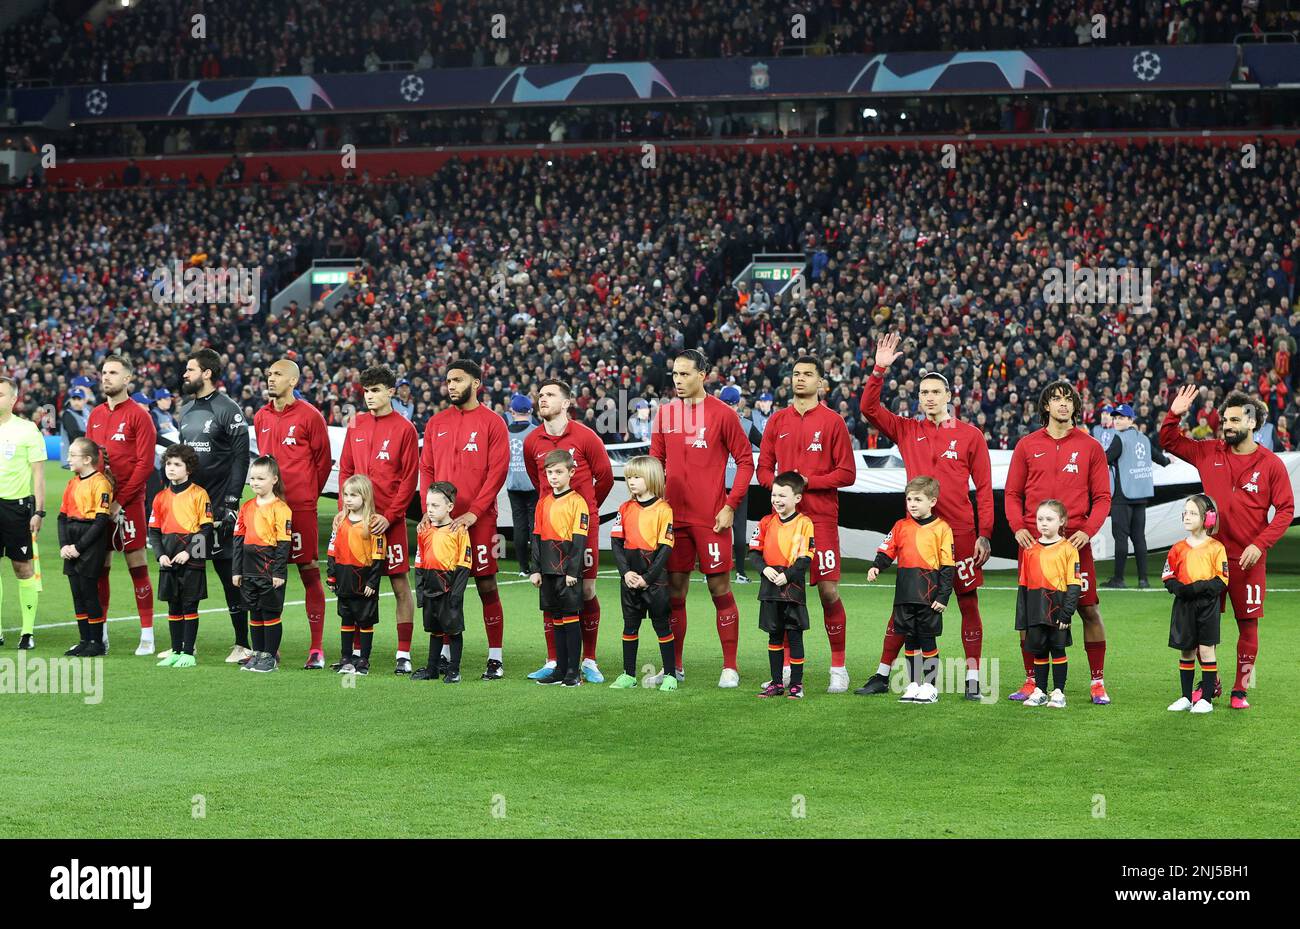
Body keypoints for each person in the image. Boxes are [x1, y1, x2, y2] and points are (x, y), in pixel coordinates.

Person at [855, 333, 994, 701]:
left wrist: (985, 533)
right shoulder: (907, 429)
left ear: (949, 396)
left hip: (960, 534)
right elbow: (869, 409)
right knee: (906, 606)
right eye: (923, 393)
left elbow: (983, 487)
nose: (929, 397)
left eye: (935, 392)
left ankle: (974, 678)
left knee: (967, 602)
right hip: (916, 535)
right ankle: (885, 673)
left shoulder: (969, 435)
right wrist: (879, 369)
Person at [1160, 386, 1295, 710]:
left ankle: (1240, 688)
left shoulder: (1271, 464)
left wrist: (1260, 544)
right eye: (1225, 420)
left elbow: (1286, 510)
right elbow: (1169, 441)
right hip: (1208, 559)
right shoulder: (1209, 451)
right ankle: (1211, 684)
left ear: (1253, 424)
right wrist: (1174, 414)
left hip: (1249, 561)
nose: (1227, 425)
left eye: (1234, 420)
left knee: (1248, 625)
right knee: (1202, 624)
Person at [649, 349, 755, 688]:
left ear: (702, 375)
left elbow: (745, 462)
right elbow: (655, 464)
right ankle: (675, 666)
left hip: (711, 519)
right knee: (674, 594)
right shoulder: (665, 414)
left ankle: (730, 666)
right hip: (673, 519)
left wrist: (730, 505)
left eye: (685, 374)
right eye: (675, 375)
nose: (678, 381)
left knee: (719, 589)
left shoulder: (723, 414)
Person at [1004, 380, 1112, 705]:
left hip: (1075, 545)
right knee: (1030, 614)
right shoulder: (1026, 445)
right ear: (1046, 406)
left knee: (1088, 609)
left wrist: (1088, 530)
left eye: (1068, 399)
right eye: (1056, 399)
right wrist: (1016, 527)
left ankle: (1097, 682)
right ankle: (1031, 682)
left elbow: (1103, 497)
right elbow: (1012, 494)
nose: (1062, 404)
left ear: (1075, 407)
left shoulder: (1091, 447)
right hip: (1034, 548)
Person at [756, 356, 857, 692]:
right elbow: (763, 468)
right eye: (796, 374)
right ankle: (785, 668)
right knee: (784, 594)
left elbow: (848, 473)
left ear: (820, 382)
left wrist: (807, 482)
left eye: (808, 374)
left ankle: (838, 667)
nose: (800, 379)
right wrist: (780, 489)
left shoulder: (833, 422)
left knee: (828, 592)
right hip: (784, 523)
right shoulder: (776, 421)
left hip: (821, 518)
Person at [419, 359, 509, 680]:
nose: (451, 385)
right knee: (440, 588)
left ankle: (495, 658)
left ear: (476, 383)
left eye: (458, 380)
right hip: (442, 523)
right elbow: (426, 469)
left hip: (479, 521)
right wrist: (428, 511)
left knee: (486, 584)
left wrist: (474, 512)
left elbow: (497, 472)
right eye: (448, 380)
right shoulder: (436, 423)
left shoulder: (493, 423)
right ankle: (444, 656)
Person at [524, 379, 614, 682]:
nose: (542, 399)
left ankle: (589, 660)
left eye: (550, 395)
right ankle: (554, 661)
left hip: (579, 531)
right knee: (550, 592)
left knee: (586, 590)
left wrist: (586, 510)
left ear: (566, 403)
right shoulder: (532, 441)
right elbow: (539, 483)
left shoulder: (586, 437)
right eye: (540, 395)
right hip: (549, 530)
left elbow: (605, 478)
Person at [338, 365, 419, 673]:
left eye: (375, 391)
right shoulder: (355, 425)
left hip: (389, 523)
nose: (370, 396)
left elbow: (408, 480)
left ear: (390, 392)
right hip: (357, 525)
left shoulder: (405, 429)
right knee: (357, 586)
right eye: (366, 391)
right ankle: (358, 653)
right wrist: (345, 512)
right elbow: (346, 470)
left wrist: (390, 516)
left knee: (399, 584)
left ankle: (403, 653)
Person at [254, 358, 334, 669]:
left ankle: (316, 648)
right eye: (269, 374)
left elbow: (323, 461)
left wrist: (306, 495)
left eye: (277, 375)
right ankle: (270, 649)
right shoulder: (261, 416)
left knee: (308, 569)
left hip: (299, 507)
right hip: (267, 509)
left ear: (293, 382)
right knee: (267, 574)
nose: (271, 379)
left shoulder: (310, 416)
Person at [178, 348, 251, 664]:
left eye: (190, 369)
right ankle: (186, 645)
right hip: (191, 512)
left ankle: (242, 643)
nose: (185, 374)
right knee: (189, 575)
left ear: (206, 373)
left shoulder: (229, 410)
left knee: (228, 577)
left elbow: (240, 458)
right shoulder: (186, 410)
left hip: (220, 510)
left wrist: (232, 503)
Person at [85, 355, 157, 655]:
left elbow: (145, 465)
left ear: (128, 379)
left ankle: (148, 634)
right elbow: (88, 461)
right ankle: (100, 633)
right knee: (99, 568)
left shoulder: (139, 416)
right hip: (100, 505)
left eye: (113, 373)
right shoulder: (96, 415)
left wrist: (121, 501)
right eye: (104, 372)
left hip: (130, 504)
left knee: (136, 566)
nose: (106, 377)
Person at [866, 476, 955, 705]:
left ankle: (931, 686)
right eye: (909, 499)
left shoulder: (942, 529)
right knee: (910, 640)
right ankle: (914, 684)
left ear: (932, 501)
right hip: (905, 595)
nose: (912, 504)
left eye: (918, 499)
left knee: (927, 640)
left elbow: (947, 567)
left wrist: (943, 596)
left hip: (929, 597)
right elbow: (887, 550)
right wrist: (877, 566)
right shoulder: (900, 526)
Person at [608, 455, 677, 691]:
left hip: (655, 582)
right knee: (629, 627)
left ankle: (670, 675)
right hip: (629, 580)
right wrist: (626, 574)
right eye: (628, 478)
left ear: (652, 478)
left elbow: (665, 547)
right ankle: (628, 674)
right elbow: (616, 544)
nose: (631, 482)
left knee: (662, 626)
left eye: (636, 477)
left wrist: (648, 578)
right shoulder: (624, 508)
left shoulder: (663, 509)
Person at [750, 471, 817, 700]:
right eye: (774, 495)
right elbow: (754, 553)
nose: (777, 500)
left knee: (795, 637)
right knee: (774, 637)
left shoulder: (805, 523)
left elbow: (805, 559)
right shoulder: (766, 522)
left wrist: (788, 575)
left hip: (792, 590)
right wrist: (763, 569)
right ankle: (776, 683)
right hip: (769, 589)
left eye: (782, 496)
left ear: (797, 498)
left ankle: (796, 685)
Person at [1162, 494, 1228, 715]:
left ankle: (1206, 699)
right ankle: (1186, 697)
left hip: (1207, 606)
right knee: (1187, 650)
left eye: (1193, 513)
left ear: (1208, 518)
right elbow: (1168, 575)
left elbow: (1222, 579)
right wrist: (1179, 589)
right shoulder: (1178, 548)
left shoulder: (1216, 548)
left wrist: (1198, 587)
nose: (1187, 517)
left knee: (1206, 650)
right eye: (1185, 512)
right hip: (1184, 606)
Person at [149, 444, 214, 669]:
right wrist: (160, 556)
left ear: (189, 469)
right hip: (168, 558)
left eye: (178, 464)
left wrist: (189, 552)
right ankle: (175, 651)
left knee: (189, 606)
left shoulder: (199, 494)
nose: (172, 468)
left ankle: (188, 652)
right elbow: (154, 531)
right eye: (168, 464)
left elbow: (206, 529)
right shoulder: (159, 497)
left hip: (191, 559)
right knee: (173, 607)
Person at [529, 450, 590, 687]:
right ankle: (560, 669)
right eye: (549, 472)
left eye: (558, 472)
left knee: (571, 618)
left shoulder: (578, 502)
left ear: (571, 472)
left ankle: (574, 672)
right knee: (555, 618)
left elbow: (579, 540)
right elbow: (536, 537)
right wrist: (535, 569)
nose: (553, 477)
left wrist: (573, 571)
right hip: (547, 571)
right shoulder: (543, 503)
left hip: (567, 573)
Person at [1014, 499, 1081, 709]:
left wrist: (1067, 612)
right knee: (1039, 651)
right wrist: (1022, 617)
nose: (1044, 523)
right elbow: (1023, 586)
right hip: (1035, 609)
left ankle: (1059, 692)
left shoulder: (1069, 549)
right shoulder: (1029, 550)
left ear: (1061, 521)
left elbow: (1074, 583)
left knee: (1058, 650)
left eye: (1049, 519)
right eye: (1040, 519)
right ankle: (1040, 691)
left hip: (1058, 610)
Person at [231, 456, 293, 674]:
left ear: (274, 479)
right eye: (252, 478)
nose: (255, 482)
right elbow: (238, 540)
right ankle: (257, 654)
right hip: (248, 571)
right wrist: (236, 571)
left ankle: (269, 657)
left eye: (260, 478)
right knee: (254, 613)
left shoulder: (281, 508)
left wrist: (278, 572)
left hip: (268, 570)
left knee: (270, 613)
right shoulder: (246, 507)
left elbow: (284, 544)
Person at [0, 377, 47, 650]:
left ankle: (27, 632)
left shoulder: (27, 429)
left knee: (22, 568)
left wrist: (39, 510)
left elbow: (39, 475)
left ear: (13, 399)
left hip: (16, 508)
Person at [1102, 403, 1169, 589]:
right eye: (1115, 418)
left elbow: (1104, 459)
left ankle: (1118, 579)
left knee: (1121, 537)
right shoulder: (1144, 439)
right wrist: (1169, 461)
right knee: (1139, 538)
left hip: (1122, 496)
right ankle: (1143, 579)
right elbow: (1160, 458)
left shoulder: (1119, 439)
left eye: (1121, 418)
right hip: (1141, 496)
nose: (1116, 421)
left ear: (1131, 420)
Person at [411, 482, 473, 683]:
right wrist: (420, 591)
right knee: (434, 630)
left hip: (449, 588)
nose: (430, 509)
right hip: (430, 588)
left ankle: (454, 670)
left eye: (435, 505)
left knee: (454, 630)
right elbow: (419, 561)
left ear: (450, 507)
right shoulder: (423, 530)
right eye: (428, 505)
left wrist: (456, 593)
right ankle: (432, 668)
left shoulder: (459, 531)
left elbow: (465, 563)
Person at [58, 438, 113, 657]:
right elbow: (62, 517)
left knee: (89, 592)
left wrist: (78, 547)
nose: (68, 459)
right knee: (77, 593)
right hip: (71, 540)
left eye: (73, 455)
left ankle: (96, 642)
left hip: (89, 541)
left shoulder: (100, 483)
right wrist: (64, 545)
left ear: (88, 459)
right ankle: (84, 640)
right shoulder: (72, 482)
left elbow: (101, 521)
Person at [327, 475, 387, 676]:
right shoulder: (340, 521)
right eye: (345, 494)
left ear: (365, 497)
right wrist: (331, 576)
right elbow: (332, 551)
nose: (348, 499)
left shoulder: (373, 524)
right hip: (344, 579)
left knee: (365, 620)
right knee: (346, 619)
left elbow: (378, 557)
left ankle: (363, 660)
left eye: (354, 495)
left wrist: (372, 581)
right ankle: (346, 657)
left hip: (364, 580)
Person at [720, 385, 762, 584]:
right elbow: (765, 445)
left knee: (714, 527)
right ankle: (741, 573)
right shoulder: (746, 425)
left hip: (717, 484)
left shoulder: (713, 423)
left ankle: (711, 571)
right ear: (738, 404)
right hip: (739, 483)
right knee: (738, 528)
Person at [504, 394, 539, 577]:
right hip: (533, 485)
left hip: (512, 484)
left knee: (519, 526)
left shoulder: (504, 433)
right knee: (535, 526)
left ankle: (522, 567)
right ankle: (536, 567)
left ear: (512, 411)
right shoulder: (536, 431)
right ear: (531, 411)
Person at [59, 386, 91, 468]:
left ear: (84, 401)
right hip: (72, 456)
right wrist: (93, 437)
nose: (76, 402)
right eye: (74, 399)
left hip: (84, 454)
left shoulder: (87, 413)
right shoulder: (68, 414)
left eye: (79, 399)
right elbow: (74, 433)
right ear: (70, 400)